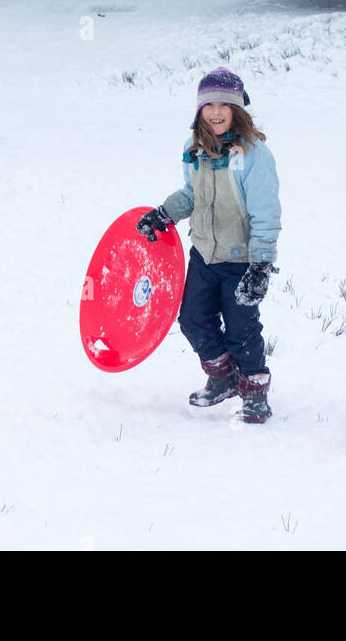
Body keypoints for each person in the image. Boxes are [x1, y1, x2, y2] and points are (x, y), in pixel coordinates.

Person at [137, 68, 281, 424]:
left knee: (241, 330)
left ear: (237, 110)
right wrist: (164, 213)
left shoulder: (253, 155)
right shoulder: (194, 150)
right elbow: (192, 194)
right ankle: (222, 378)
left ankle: (254, 393)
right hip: (203, 255)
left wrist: (261, 264)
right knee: (192, 319)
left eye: (224, 105)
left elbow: (266, 212)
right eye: (209, 105)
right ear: (199, 110)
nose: (216, 112)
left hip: (242, 259)